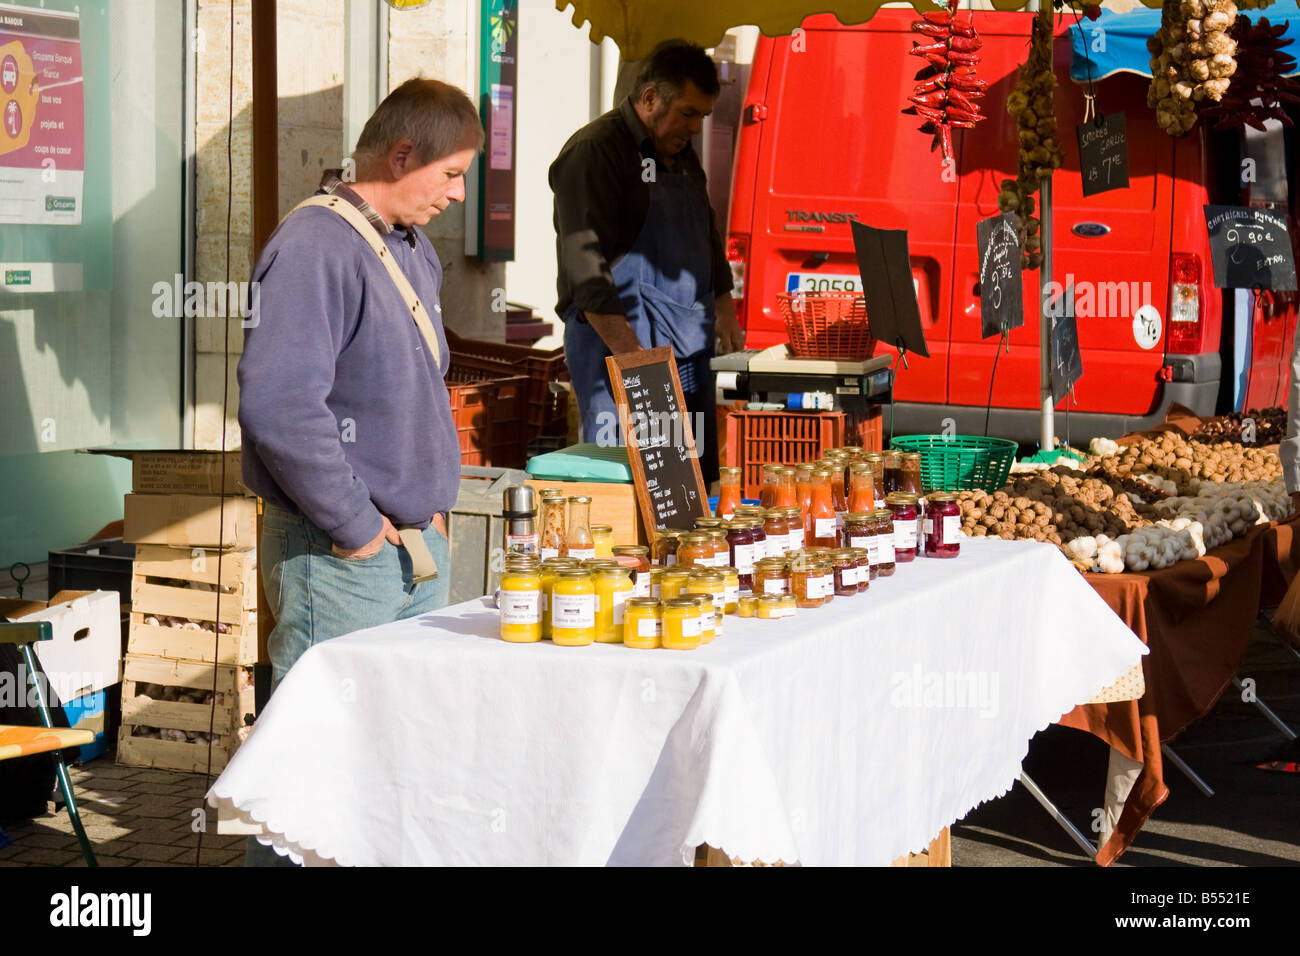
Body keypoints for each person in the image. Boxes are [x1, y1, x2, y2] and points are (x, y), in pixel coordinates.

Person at [237, 78, 482, 865]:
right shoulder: (315, 245)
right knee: (307, 785)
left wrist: (428, 517)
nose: (459, 194)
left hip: (409, 552)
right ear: (402, 153)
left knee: (386, 776)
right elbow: (278, 405)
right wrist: (356, 531)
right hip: (341, 561)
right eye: (449, 174)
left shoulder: (409, 247)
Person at [550, 41, 744, 485]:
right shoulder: (595, 150)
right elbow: (586, 266)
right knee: (625, 479)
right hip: (619, 343)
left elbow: (705, 229)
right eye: (688, 113)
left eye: (702, 115)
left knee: (685, 482)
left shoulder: (677, 151)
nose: (695, 127)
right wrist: (632, 358)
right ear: (651, 98)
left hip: (684, 344)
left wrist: (724, 305)